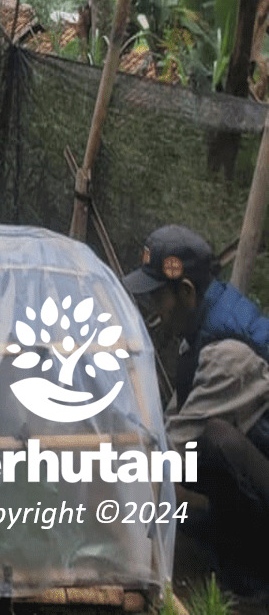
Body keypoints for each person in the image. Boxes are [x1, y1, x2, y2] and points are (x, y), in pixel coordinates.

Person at [124, 225, 269, 592]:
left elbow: (171, 444)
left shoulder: (228, 354)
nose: (152, 308)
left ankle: (250, 576)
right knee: (199, 446)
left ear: (186, 292)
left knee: (215, 442)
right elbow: (176, 416)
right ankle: (224, 525)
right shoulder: (202, 324)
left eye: (157, 296)